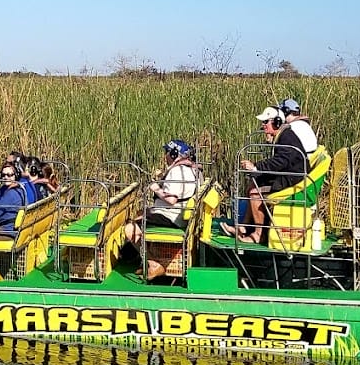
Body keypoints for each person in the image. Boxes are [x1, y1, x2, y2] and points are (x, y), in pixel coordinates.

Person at [222, 106, 309, 244]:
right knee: (252, 185)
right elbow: (280, 161)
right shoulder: (283, 135)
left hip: (292, 178)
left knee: (255, 193)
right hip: (287, 174)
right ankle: (243, 227)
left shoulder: (287, 137)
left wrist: (256, 167)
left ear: (277, 122)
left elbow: (281, 161)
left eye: (265, 122)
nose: (263, 126)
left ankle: (259, 234)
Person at [123, 140, 202, 269]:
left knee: (129, 228)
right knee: (140, 215)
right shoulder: (193, 170)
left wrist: (155, 188)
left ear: (173, 154)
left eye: (166, 152)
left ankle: (153, 263)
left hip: (171, 217)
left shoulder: (177, 172)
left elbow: (172, 199)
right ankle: (135, 255)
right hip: (178, 215)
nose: (164, 156)